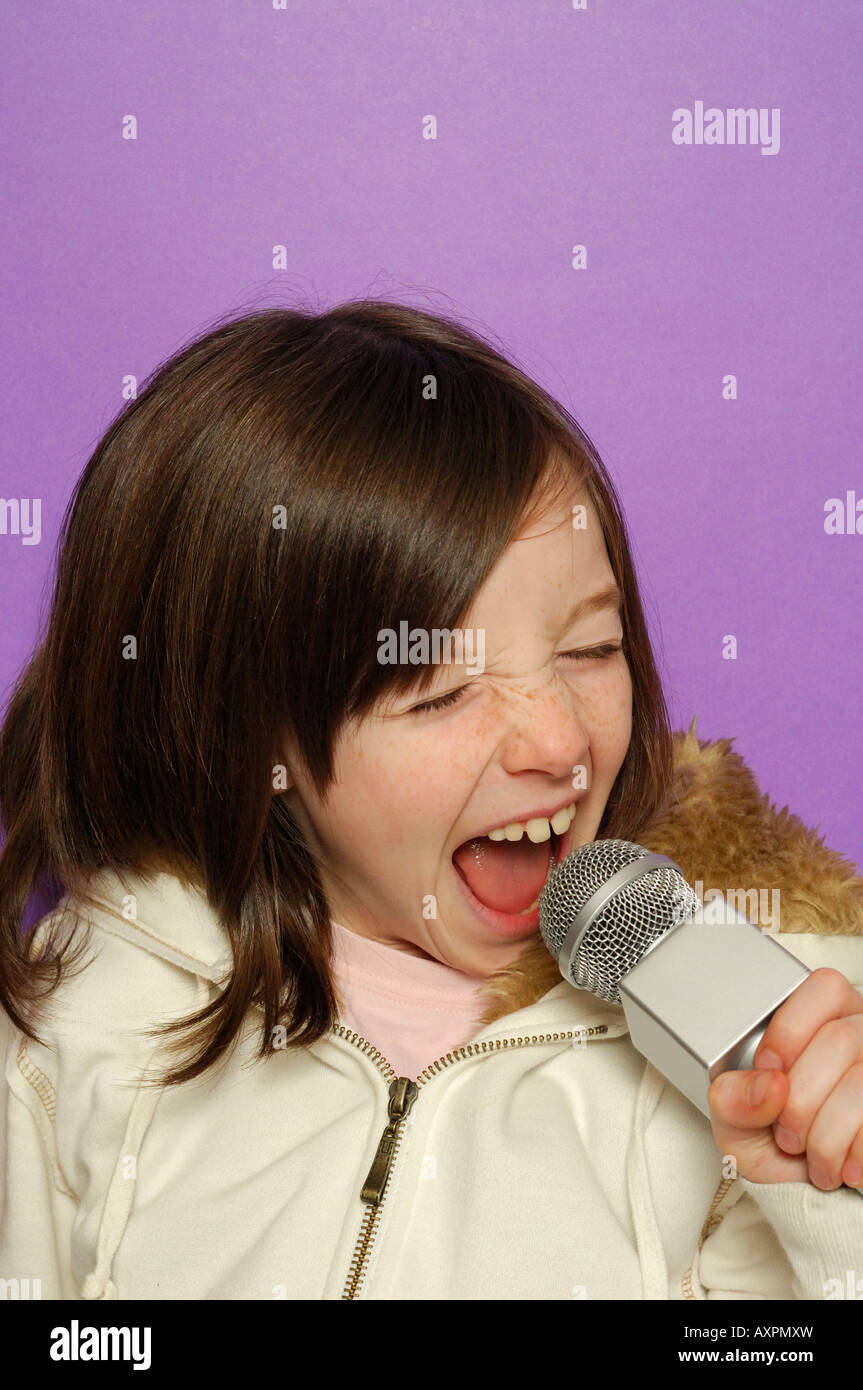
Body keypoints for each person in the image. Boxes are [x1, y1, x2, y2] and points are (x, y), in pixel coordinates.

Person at [1, 301, 862, 1301]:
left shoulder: (759, 1029)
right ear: (244, 735)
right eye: (441, 689)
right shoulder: (86, 1021)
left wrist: (824, 1195)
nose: (558, 740)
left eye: (589, 648)